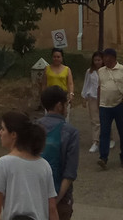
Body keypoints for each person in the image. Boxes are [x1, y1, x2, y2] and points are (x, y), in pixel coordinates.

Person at [0, 110, 59, 220]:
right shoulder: (44, 165)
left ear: (14, 134)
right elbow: (52, 208)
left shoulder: (3, 164)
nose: (0, 133)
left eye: (3, 129)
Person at [37, 86, 79, 220]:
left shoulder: (33, 127)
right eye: (66, 104)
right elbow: (70, 172)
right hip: (59, 200)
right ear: (60, 106)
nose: (67, 108)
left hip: (34, 196)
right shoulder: (70, 132)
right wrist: (54, 202)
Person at [96, 47, 123, 169]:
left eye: (108, 58)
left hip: (119, 106)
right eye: (104, 58)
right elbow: (100, 87)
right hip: (105, 106)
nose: (106, 60)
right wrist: (98, 103)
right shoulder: (101, 71)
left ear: (114, 58)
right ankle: (103, 158)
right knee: (104, 132)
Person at [81, 51, 114, 153]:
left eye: (99, 60)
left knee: (106, 119)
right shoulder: (90, 72)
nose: (97, 62)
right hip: (93, 98)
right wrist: (84, 97)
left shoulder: (107, 71)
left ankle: (110, 138)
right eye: (95, 60)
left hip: (105, 98)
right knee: (95, 120)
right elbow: (86, 84)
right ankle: (96, 141)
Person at [44, 49, 74, 116]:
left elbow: (70, 83)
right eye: (54, 57)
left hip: (63, 96)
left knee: (63, 117)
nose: (56, 58)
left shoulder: (67, 69)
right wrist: (43, 95)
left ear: (62, 58)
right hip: (50, 96)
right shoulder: (47, 69)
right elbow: (44, 84)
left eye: (58, 57)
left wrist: (71, 94)